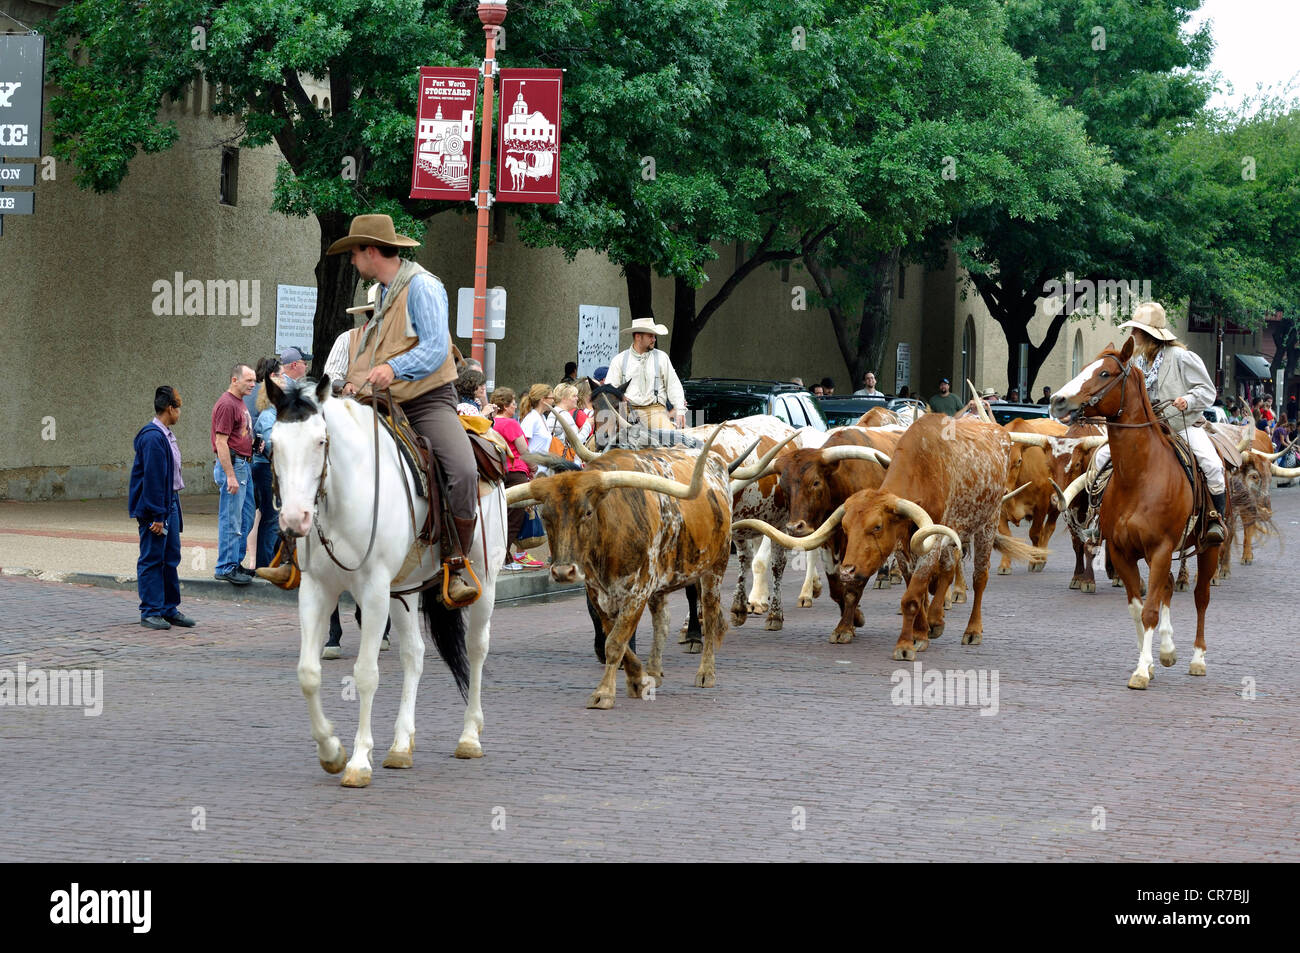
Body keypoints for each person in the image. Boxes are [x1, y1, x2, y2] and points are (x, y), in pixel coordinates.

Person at [314, 213, 481, 606]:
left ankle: (455, 563)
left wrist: (393, 367)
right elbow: (373, 350)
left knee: (463, 471)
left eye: (355, 254)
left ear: (372, 252)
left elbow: (436, 349)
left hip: (427, 402)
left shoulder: (423, 287)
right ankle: (302, 554)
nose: (353, 262)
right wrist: (353, 382)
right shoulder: (385, 291)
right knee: (320, 449)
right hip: (380, 400)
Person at [1089, 301, 1226, 544]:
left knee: (1212, 464)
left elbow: (1207, 390)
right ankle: (1099, 517)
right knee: (1101, 458)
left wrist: (1188, 399)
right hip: (1147, 429)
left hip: (1182, 425)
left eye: (1136, 330)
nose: (1132, 334)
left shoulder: (1182, 357)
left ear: (1150, 334)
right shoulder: (1136, 363)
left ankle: (1215, 518)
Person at [128, 386, 194, 629]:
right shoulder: (154, 437)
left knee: (170, 557)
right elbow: (154, 479)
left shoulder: (164, 434)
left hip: (169, 503)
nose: (180, 413)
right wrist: (158, 515)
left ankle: (168, 608)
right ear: (170, 408)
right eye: (179, 408)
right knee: (153, 557)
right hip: (157, 507)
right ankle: (150, 610)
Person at [211, 363, 257, 585]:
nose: (253, 384)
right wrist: (230, 475)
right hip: (234, 465)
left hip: (244, 465)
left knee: (246, 518)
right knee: (232, 518)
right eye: (249, 380)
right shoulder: (226, 404)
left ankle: (235, 562)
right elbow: (221, 442)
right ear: (234, 380)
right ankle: (225, 566)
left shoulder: (239, 403)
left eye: (254, 380)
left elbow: (240, 434)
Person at [491, 386, 545, 570]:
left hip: (498, 472)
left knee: (500, 517)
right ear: (505, 406)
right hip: (516, 473)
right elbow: (523, 450)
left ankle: (501, 555)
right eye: (513, 403)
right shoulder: (511, 424)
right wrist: (533, 467)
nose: (515, 406)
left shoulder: (490, 422)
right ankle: (505, 559)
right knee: (514, 518)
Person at [605, 317, 688, 429]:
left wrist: (680, 410)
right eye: (650, 336)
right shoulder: (619, 360)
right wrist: (620, 396)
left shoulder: (662, 358)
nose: (654, 339)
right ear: (638, 337)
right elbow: (609, 389)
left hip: (655, 411)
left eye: (654, 336)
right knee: (607, 440)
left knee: (669, 438)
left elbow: (673, 385)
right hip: (627, 411)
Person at [251, 366, 281, 569]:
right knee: (270, 518)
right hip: (265, 471)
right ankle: (265, 564)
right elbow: (272, 446)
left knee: (273, 518)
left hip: (270, 470)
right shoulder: (268, 417)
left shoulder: (274, 415)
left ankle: (272, 561)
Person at [519, 383, 557, 472]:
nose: (553, 401)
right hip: (532, 471)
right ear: (543, 399)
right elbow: (522, 446)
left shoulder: (542, 417)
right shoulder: (531, 418)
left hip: (542, 470)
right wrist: (532, 467)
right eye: (552, 398)